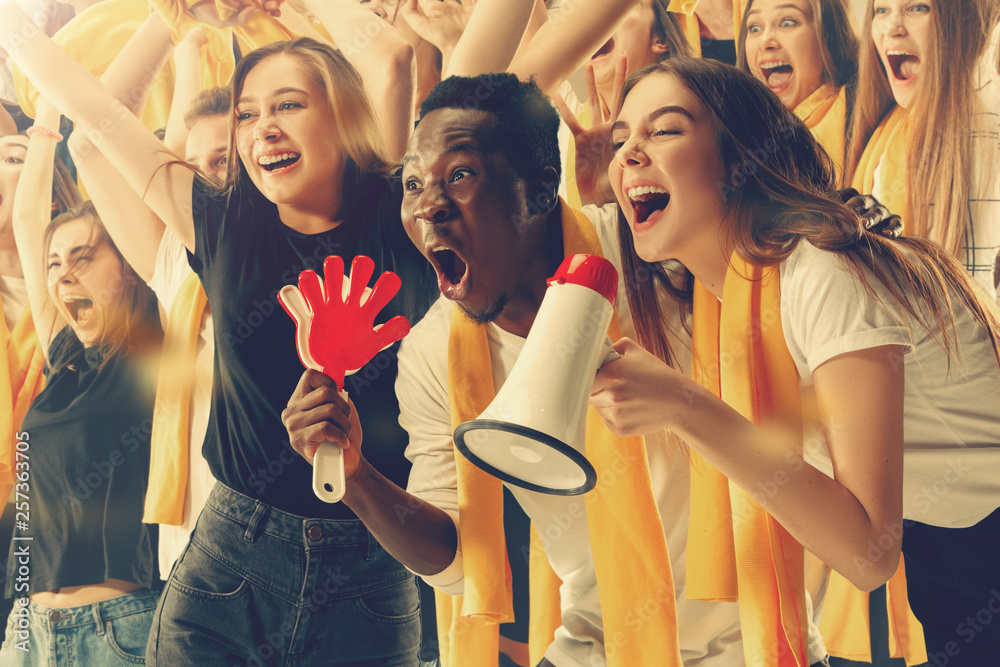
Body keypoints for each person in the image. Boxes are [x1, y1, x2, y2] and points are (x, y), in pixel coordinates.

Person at [0, 0, 445, 662]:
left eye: (288, 104)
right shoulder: (223, 225)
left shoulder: (398, 214)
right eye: (247, 114)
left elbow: (391, 55)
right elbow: (92, 112)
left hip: (370, 569)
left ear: (343, 114)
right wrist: (12, 27)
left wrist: (283, 3)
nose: (264, 126)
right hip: (229, 566)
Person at [598, 56, 1000, 666]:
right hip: (947, 544)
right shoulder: (723, 296)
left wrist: (685, 406)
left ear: (739, 158)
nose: (629, 152)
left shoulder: (822, 273)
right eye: (620, 139)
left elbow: (867, 553)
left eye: (665, 129)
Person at [0, 96, 161, 664]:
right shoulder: (65, 355)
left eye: (84, 257)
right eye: (54, 263)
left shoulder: (155, 347)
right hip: (27, 631)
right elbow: (28, 221)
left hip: (117, 630)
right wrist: (45, 116)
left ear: (131, 271)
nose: (63, 273)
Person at [845, 0, 999, 299]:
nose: (892, 27)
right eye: (881, 10)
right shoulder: (892, 126)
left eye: (917, 8)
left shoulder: (979, 126)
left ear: (962, 20)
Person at [737, 0, 857, 174]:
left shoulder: (865, 116)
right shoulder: (736, 135)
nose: (765, 41)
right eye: (755, 28)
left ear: (828, 35)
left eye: (787, 23)